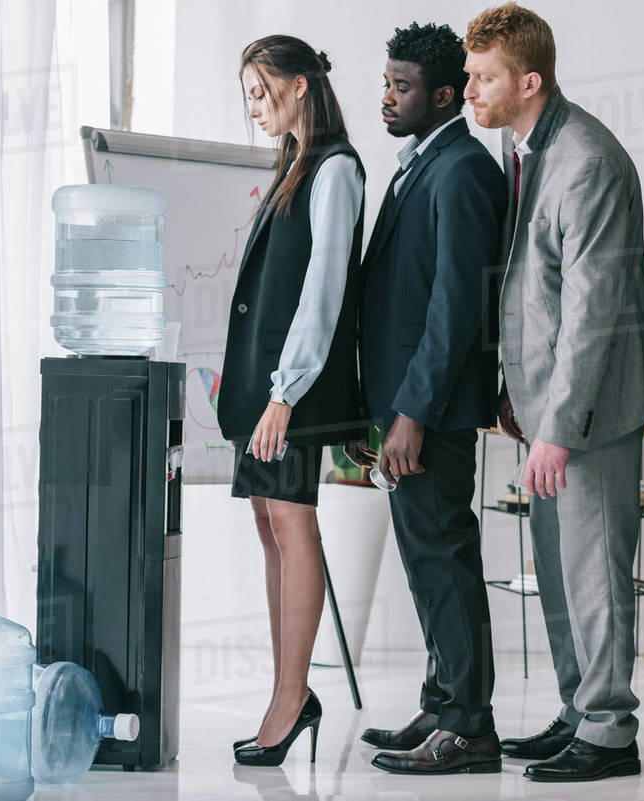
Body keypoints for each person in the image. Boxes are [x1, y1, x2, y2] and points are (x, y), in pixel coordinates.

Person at [463, 2, 644, 782]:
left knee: (594, 570)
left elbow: (593, 309)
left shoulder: (586, 159)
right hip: (545, 403)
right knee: (556, 567)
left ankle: (612, 729)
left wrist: (561, 425)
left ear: (530, 80)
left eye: (485, 78)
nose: (471, 90)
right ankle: (580, 708)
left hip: (592, 404)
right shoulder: (527, 148)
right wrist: (522, 396)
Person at [346, 21, 507, 776]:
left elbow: (453, 307)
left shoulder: (464, 169)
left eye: (402, 86)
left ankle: (470, 724)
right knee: (426, 563)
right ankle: (444, 702)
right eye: (386, 82)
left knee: (444, 560)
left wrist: (410, 412)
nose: (387, 97)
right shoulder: (421, 164)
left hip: (430, 412)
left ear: (445, 95)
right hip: (400, 406)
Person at [218, 34, 367, 767]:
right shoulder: (293, 162)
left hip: (294, 389)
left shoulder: (336, 169)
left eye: (260, 89)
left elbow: (325, 288)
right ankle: (289, 690)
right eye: (247, 93)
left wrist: (285, 393)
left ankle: (291, 696)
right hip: (265, 387)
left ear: (301, 84)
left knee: (291, 519)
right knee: (269, 521)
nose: (254, 105)